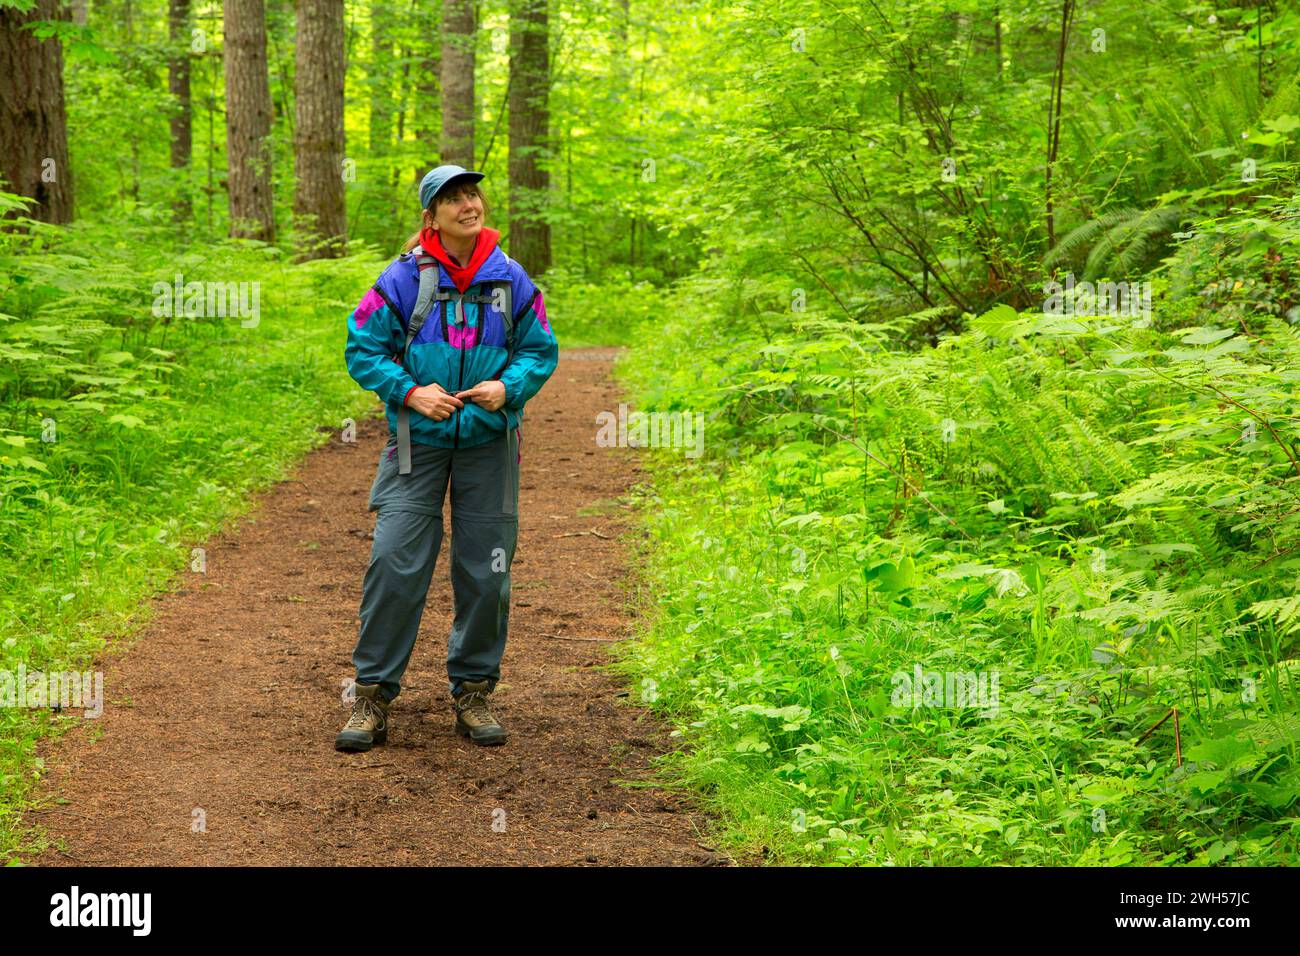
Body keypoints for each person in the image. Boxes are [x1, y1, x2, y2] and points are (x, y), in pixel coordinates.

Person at [337, 164, 558, 751]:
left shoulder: (510, 278)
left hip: (489, 442)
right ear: (430, 216)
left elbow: (539, 350)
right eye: (453, 198)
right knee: (394, 561)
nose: (469, 205)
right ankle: (373, 694)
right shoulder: (402, 280)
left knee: (488, 569)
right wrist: (410, 391)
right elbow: (362, 348)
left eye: (473, 194)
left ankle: (474, 690)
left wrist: (507, 388)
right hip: (417, 445)